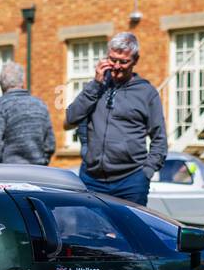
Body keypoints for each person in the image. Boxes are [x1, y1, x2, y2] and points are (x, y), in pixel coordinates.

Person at [64, 32, 167, 205]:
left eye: (123, 61)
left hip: (131, 181)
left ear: (135, 60)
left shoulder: (147, 93)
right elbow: (71, 119)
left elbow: (160, 138)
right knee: (91, 231)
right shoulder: (95, 87)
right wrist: (95, 85)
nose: (117, 66)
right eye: (112, 60)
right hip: (91, 179)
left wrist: (146, 173)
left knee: (130, 232)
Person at [0, 61, 55, 166]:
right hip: (38, 170)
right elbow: (50, 144)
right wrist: (43, 161)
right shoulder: (40, 104)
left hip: (10, 171)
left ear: (1, 84)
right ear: (22, 82)